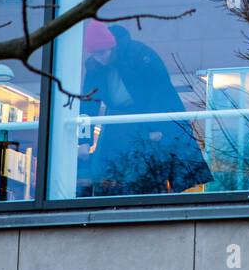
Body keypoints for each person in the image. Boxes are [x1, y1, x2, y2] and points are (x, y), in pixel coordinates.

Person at [80, 21, 214, 195]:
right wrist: (83, 140)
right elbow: (88, 102)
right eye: (95, 55)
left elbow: (159, 92)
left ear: (112, 47)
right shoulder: (95, 67)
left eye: (102, 53)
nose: (100, 59)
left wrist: (155, 127)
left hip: (152, 117)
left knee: (158, 165)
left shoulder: (140, 55)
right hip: (120, 120)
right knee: (112, 172)